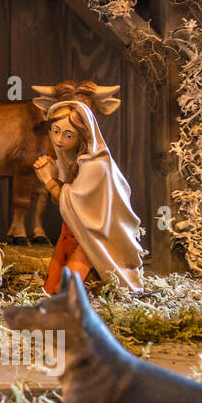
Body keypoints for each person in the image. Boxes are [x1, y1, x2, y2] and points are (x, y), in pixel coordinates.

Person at [33, 100, 144, 294]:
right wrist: (52, 171)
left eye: (68, 135)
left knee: (70, 284)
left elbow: (74, 204)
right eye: (55, 131)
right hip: (75, 231)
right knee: (53, 284)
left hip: (96, 237)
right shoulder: (75, 159)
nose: (59, 139)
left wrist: (49, 181)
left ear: (82, 136)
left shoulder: (95, 165)